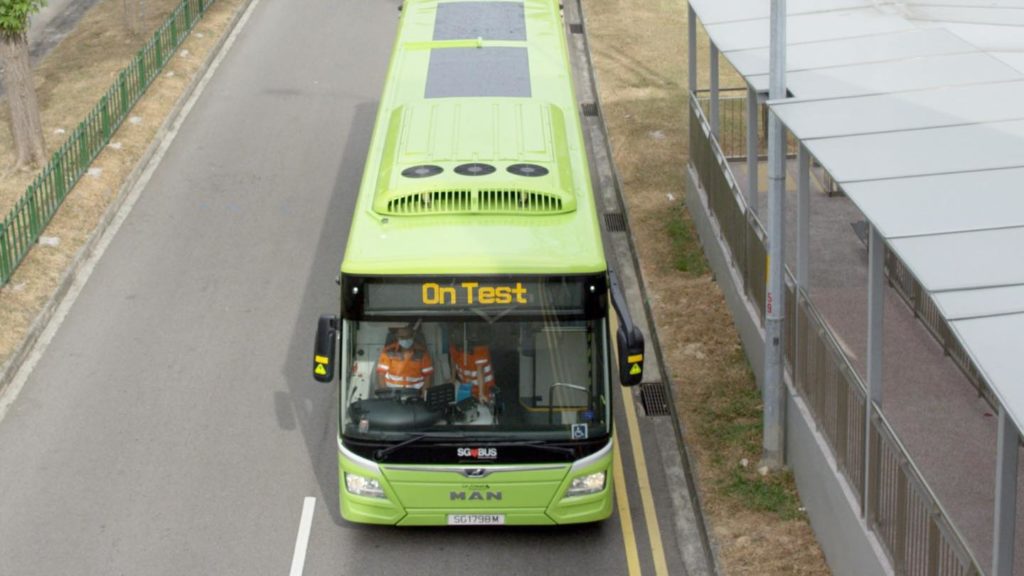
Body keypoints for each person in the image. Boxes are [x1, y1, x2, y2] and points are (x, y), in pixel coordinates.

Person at [376, 325, 433, 393]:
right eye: (402, 337)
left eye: (408, 337)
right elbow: (381, 374)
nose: (405, 340)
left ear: (413, 336)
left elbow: (428, 377)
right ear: (397, 337)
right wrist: (385, 394)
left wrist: (424, 396)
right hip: (392, 393)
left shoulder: (423, 353)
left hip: (416, 393)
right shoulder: (388, 352)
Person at [450, 324, 496, 404]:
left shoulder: (480, 348)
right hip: (466, 387)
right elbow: (453, 361)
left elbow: (480, 371)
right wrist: (452, 379)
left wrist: (481, 394)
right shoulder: (455, 347)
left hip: (485, 388)